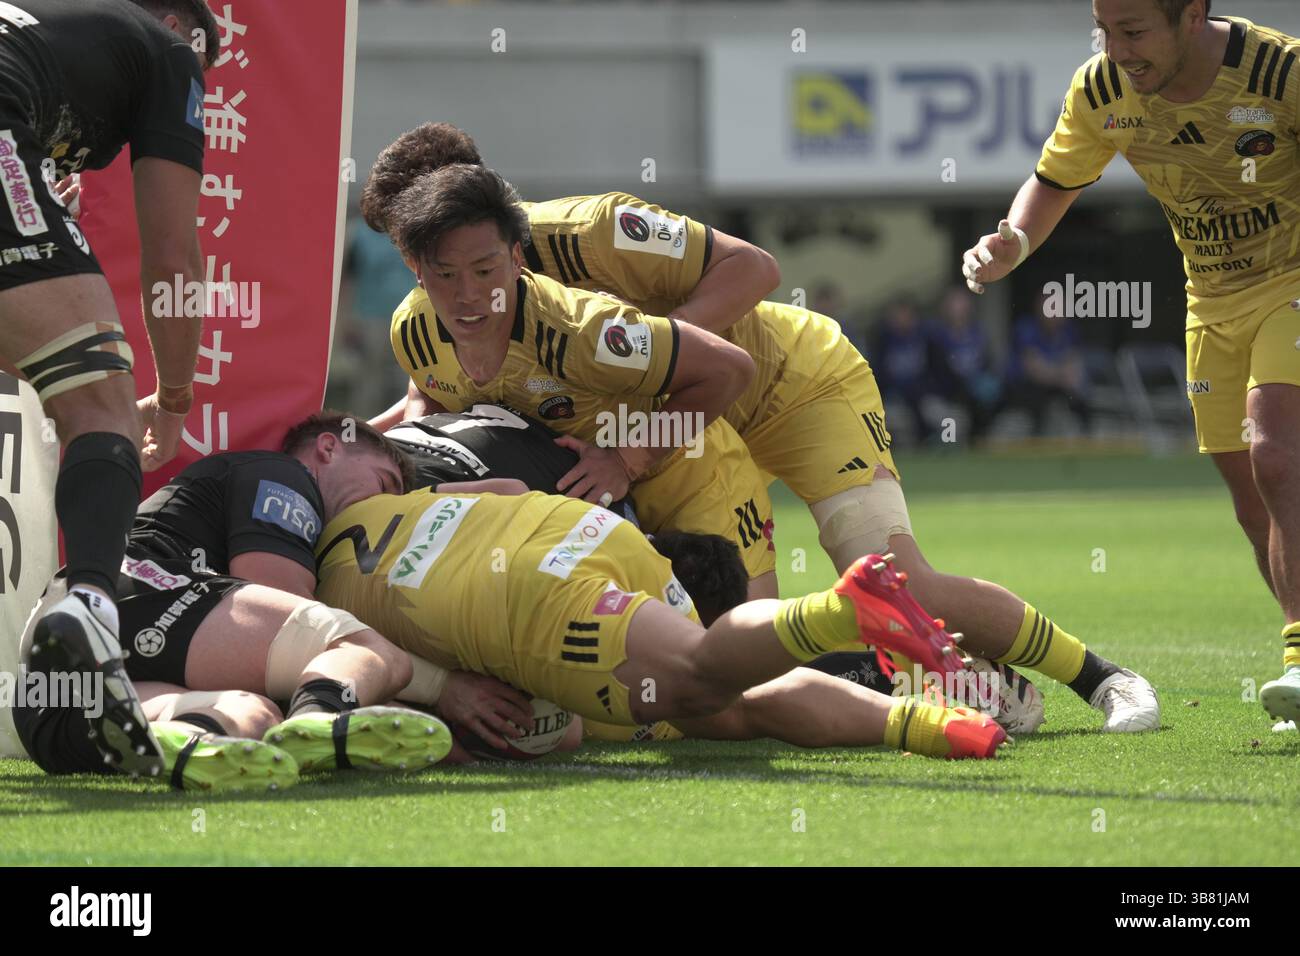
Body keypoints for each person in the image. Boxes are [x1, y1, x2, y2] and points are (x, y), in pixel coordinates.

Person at [360, 123, 1159, 733]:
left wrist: (655, 363)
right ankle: (918, 673)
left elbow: (756, 270)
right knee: (729, 658)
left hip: (791, 387)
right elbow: (442, 376)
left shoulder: (589, 232)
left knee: (889, 573)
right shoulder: (444, 304)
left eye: (431, 238)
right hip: (687, 437)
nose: (427, 264)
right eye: (414, 253)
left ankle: (1101, 677)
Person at [961, 0, 1300, 730]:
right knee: (1252, 504)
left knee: (1277, 458)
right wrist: (1013, 243)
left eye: (1134, 31)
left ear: (1192, 15)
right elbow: (1053, 184)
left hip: (1294, 284)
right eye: (1103, 30)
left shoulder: (1280, 73)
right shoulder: (1102, 93)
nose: (1116, 49)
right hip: (1209, 302)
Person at [316, 485, 1008, 761]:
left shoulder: (326, 560)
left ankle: (840, 611)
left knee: (697, 676)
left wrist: (445, 693)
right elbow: (500, 491)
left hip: (535, 592)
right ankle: (931, 725)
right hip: (594, 532)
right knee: (729, 709)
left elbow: (362, 658)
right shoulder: (408, 490)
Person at [381, 164, 782, 601]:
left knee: (740, 643)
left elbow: (729, 369)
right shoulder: (411, 331)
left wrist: (627, 460)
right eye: (445, 274)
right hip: (591, 499)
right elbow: (433, 397)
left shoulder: (587, 331)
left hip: (687, 474)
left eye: (484, 271)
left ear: (517, 258)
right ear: (415, 268)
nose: (469, 295)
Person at [0, 0, 219, 771]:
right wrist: (178, 392)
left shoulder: (55, 38)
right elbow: (173, 258)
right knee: (101, 399)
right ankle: (91, 603)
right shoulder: (169, 50)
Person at [13, 413, 454, 788]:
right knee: (371, 651)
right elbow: (281, 596)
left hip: (54, 705)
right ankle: (321, 718)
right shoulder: (287, 475)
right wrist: (444, 689)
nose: (385, 505)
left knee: (251, 716)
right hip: (129, 595)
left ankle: (185, 735)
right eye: (385, 483)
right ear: (328, 447)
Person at [1004, 292, 1093, 437]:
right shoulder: (1026, 328)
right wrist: (1060, 375)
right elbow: (1034, 369)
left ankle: (1084, 438)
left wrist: (1058, 373)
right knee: (1040, 393)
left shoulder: (1069, 330)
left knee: (1081, 392)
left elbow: (1073, 364)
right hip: (1022, 389)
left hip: (1057, 388)